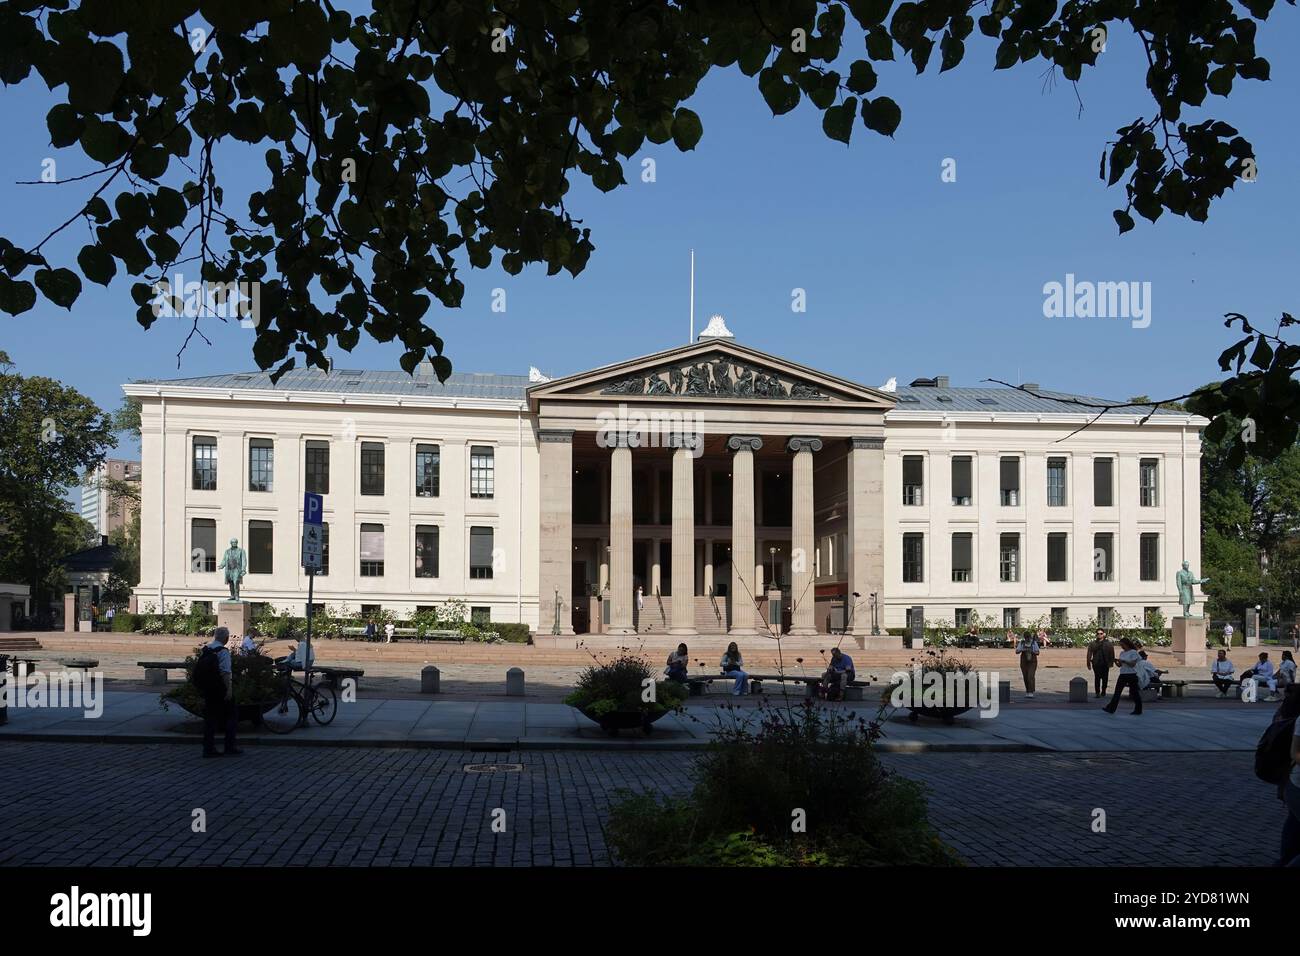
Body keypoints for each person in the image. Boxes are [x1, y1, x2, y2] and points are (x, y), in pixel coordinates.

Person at [200, 626, 240, 757]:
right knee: (231, 717)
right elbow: (225, 672)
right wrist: (228, 690)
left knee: (210, 719)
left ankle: (208, 748)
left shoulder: (206, 649)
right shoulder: (223, 651)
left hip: (207, 687)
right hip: (220, 688)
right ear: (226, 638)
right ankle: (229, 746)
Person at [1272, 687, 1300, 867]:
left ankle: (1284, 860)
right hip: (1296, 783)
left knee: (1294, 823)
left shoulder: (1287, 710)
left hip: (1290, 780)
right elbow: (1295, 753)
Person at [1103, 637, 1143, 716]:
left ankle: (1138, 709)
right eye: (1121, 645)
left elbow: (1132, 664)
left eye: (1123, 645)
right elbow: (1120, 665)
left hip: (1131, 674)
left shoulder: (1133, 652)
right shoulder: (1122, 653)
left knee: (1134, 692)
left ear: (1127, 644)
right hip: (1123, 674)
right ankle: (1111, 708)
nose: (1122, 647)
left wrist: (1124, 661)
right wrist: (1116, 661)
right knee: (1117, 692)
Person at [1086, 629, 1115, 698]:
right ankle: (1097, 692)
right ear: (1096, 634)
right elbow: (1089, 653)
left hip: (1105, 663)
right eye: (1098, 633)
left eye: (1101, 633)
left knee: (1105, 678)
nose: (1099, 635)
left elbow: (1112, 653)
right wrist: (1088, 663)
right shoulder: (1093, 643)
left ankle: (1104, 691)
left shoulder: (1108, 643)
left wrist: (1111, 663)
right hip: (1096, 663)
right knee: (1097, 678)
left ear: (1103, 634)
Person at [1015, 630, 1041, 698]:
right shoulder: (1022, 643)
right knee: (1025, 676)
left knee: (1030, 676)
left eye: (1028, 637)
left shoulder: (1033, 643)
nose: (1027, 639)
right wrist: (1022, 650)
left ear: (1030, 637)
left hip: (1032, 661)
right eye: (1026, 637)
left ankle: (1031, 691)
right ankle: (1027, 690)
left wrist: (1032, 651)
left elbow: (1038, 652)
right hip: (1024, 661)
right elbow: (1017, 651)